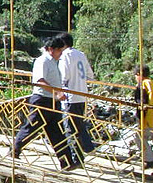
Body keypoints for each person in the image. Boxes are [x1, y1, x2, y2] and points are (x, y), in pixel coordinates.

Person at [12, 36, 79, 171]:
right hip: (42, 100)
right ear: (50, 49)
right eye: (59, 51)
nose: (61, 54)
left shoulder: (55, 62)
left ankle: (66, 162)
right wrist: (57, 93)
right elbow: (40, 81)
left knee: (56, 133)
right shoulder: (42, 61)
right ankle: (15, 150)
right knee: (32, 127)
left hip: (53, 101)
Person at [57, 33, 95, 166]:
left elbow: (64, 76)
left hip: (70, 97)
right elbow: (90, 74)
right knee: (79, 124)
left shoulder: (65, 56)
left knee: (69, 128)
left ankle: (76, 157)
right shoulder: (81, 54)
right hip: (82, 95)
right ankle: (88, 147)